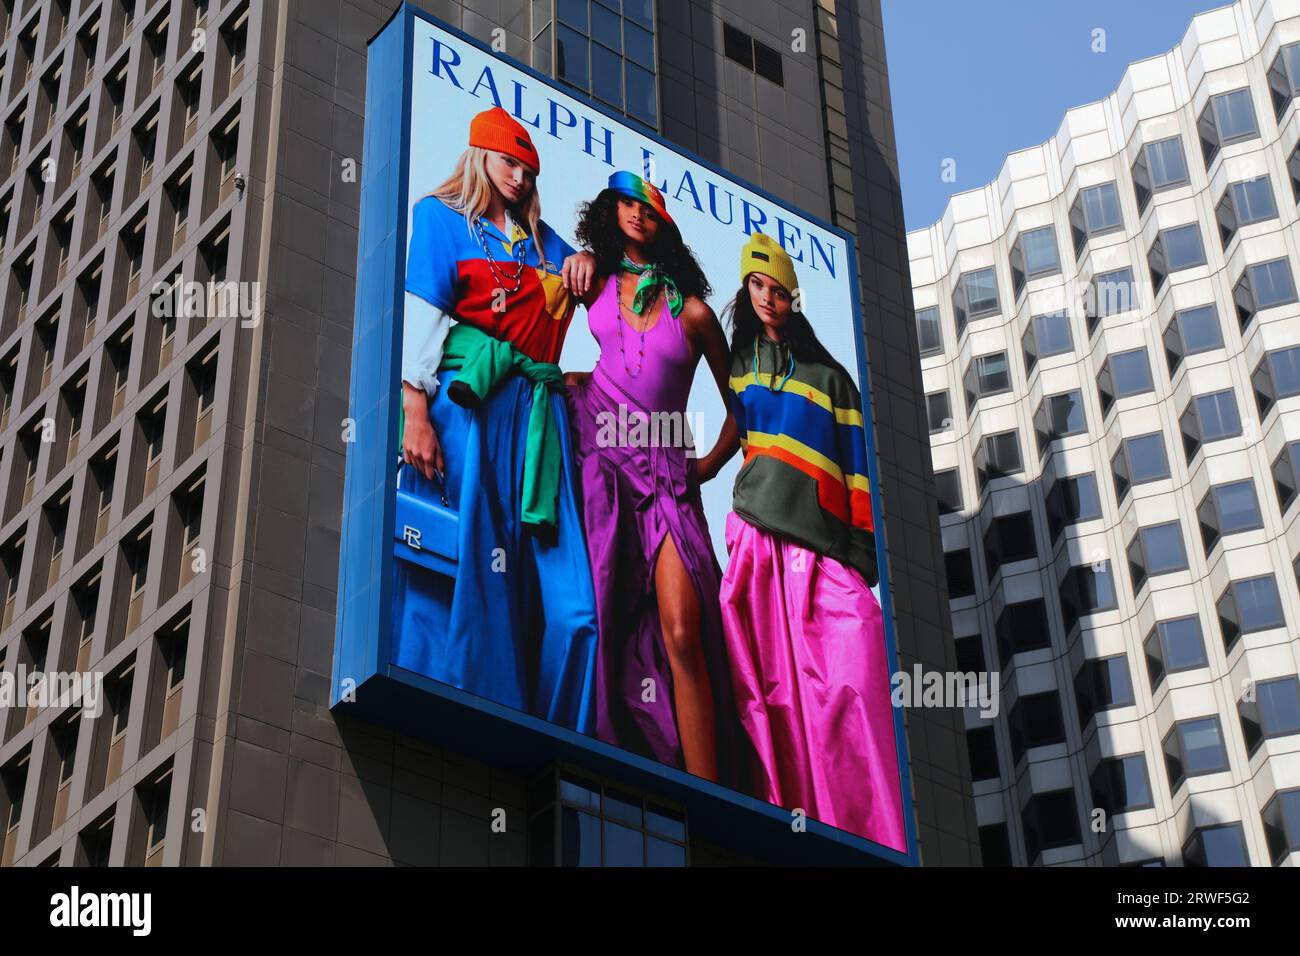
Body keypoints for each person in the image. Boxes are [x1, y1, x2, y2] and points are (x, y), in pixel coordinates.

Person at [395, 106, 600, 733]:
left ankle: (562, 738)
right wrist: (414, 412)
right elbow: (419, 317)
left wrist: (588, 258)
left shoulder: (544, 244)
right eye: (508, 161)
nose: (518, 176)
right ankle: (464, 715)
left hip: (540, 427)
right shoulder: (438, 219)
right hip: (467, 408)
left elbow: (604, 284)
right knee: (464, 574)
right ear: (480, 155)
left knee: (575, 612)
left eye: (528, 169)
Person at [718, 232, 905, 849]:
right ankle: (781, 818)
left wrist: (860, 559)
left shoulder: (832, 380)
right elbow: (729, 435)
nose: (767, 297)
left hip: (823, 555)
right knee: (768, 694)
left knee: (855, 667)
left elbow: (858, 473)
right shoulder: (736, 364)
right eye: (756, 285)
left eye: (777, 289)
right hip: (756, 541)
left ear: (793, 298)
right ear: (746, 290)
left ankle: (868, 830)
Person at [564, 172, 745, 784]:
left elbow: (739, 410)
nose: (639, 214)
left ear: (664, 225)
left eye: (650, 208)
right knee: (600, 612)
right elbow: (547, 322)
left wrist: (708, 466)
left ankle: (710, 791)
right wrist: (573, 382)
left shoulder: (692, 313)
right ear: (612, 210)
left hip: (667, 480)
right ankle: (597, 757)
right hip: (604, 463)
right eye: (627, 203)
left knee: (681, 632)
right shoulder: (594, 283)